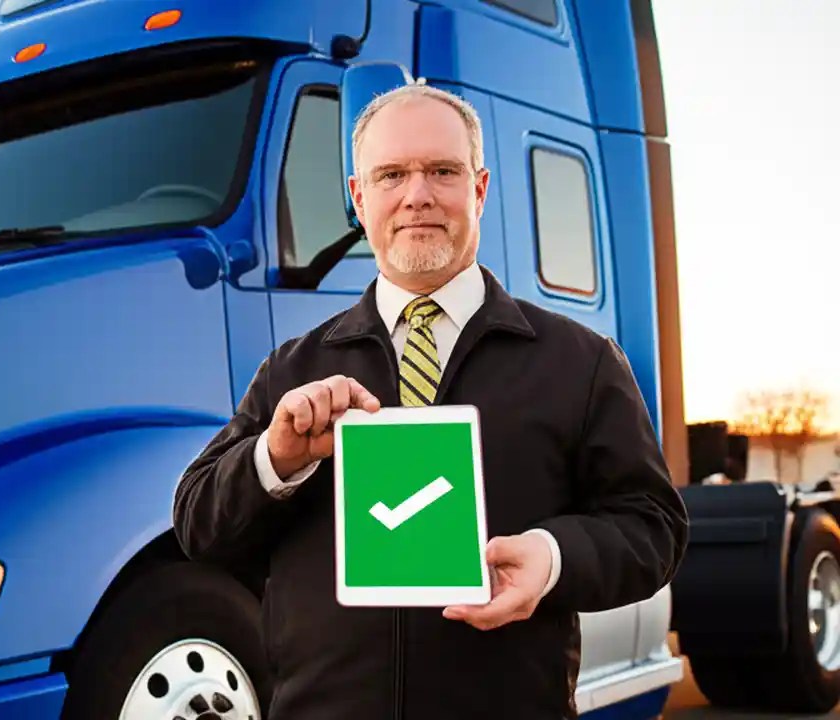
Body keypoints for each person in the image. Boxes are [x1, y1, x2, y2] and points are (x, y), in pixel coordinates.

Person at [172, 82, 689, 719]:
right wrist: (275, 459)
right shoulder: (294, 369)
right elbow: (197, 524)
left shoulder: (579, 361)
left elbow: (654, 528)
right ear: (360, 199)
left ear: (479, 188)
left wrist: (553, 559)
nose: (417, 195)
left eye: (442, 171)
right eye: (391, 175)